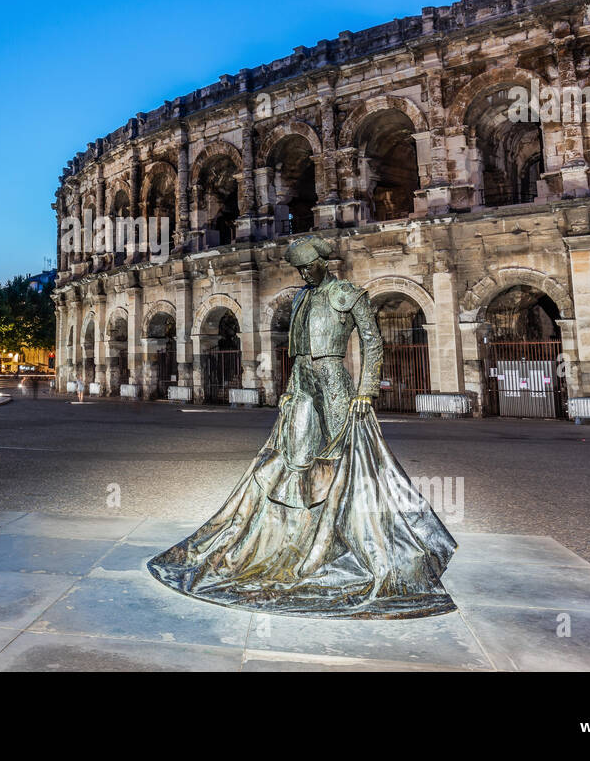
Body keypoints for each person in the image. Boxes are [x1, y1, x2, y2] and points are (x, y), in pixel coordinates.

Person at [147, 235, 457, 618]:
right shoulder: (299, 297)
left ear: (322, 263)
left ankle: (347, 536)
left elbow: (373, 342)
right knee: (293, 452)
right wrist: (291, 388)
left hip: (334, 379)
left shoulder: (347, 293)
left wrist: (366, 389)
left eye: (308, 267)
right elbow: (296, 345)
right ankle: (295, 531)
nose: (304, 273)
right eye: (299, 269)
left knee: (345, 454)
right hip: (304, 379)